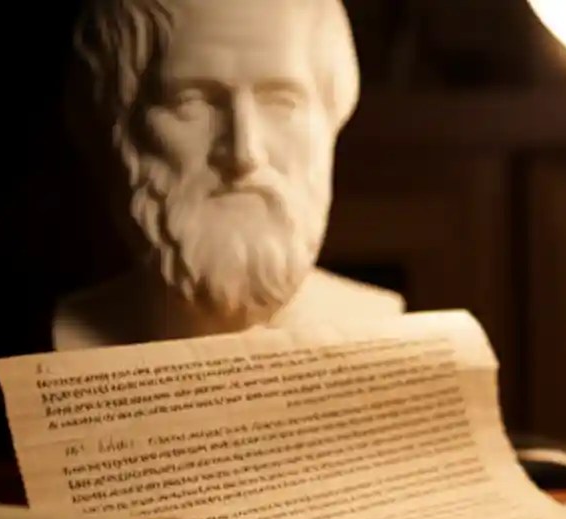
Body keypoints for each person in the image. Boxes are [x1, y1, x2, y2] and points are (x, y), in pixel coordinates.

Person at [55, 0, 402, 350]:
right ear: (118, 123)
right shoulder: (70, 342)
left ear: (330, 118)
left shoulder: (383, 329)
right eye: (191, 102)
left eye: (281, 101)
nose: (244, 153)